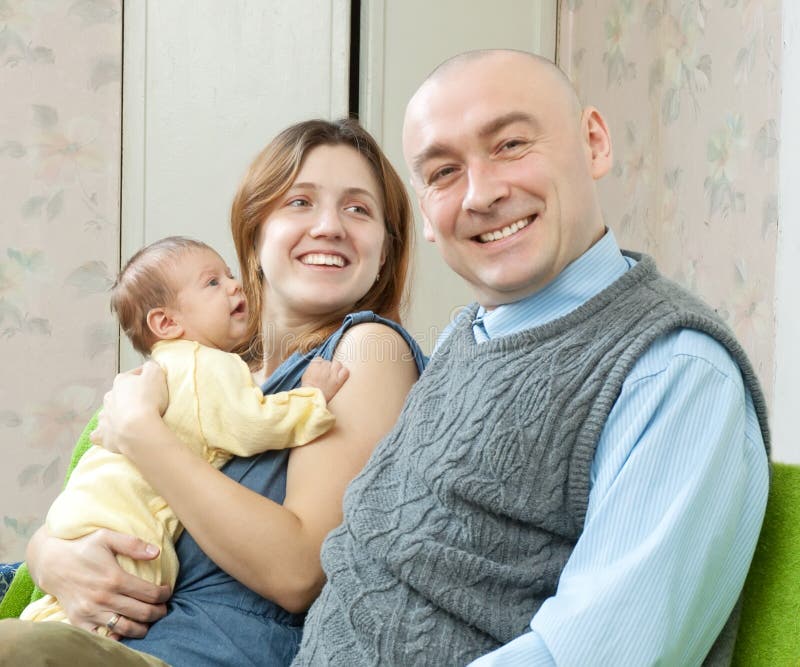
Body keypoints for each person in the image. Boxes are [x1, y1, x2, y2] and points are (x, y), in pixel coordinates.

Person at [292, 50, 770, 665]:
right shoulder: (466, 336)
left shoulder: (673, 371)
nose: (482, 194)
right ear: (426, 218)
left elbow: (592, 655)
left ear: (594, 143)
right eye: (442, 173)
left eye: (512, 144)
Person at [0, 118, 426, 666]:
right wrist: (50, 555)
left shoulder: (368, 350)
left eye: (359, 209)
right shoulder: (202, 367)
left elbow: (298, 570)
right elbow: (102, 492)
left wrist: (141, 433)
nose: (329, 226)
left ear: (385, 252)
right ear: (255, 231)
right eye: (300, 202)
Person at [19, 235, 347, 630]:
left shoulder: (153, 376)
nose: (234, 284)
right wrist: (312, 398)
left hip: (80, 518)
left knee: (52, 619)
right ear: (166, 322)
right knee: (115, 609)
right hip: (126, 528)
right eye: (213, 282)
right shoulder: (206, 365)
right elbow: (250, 423)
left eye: (228, 275)